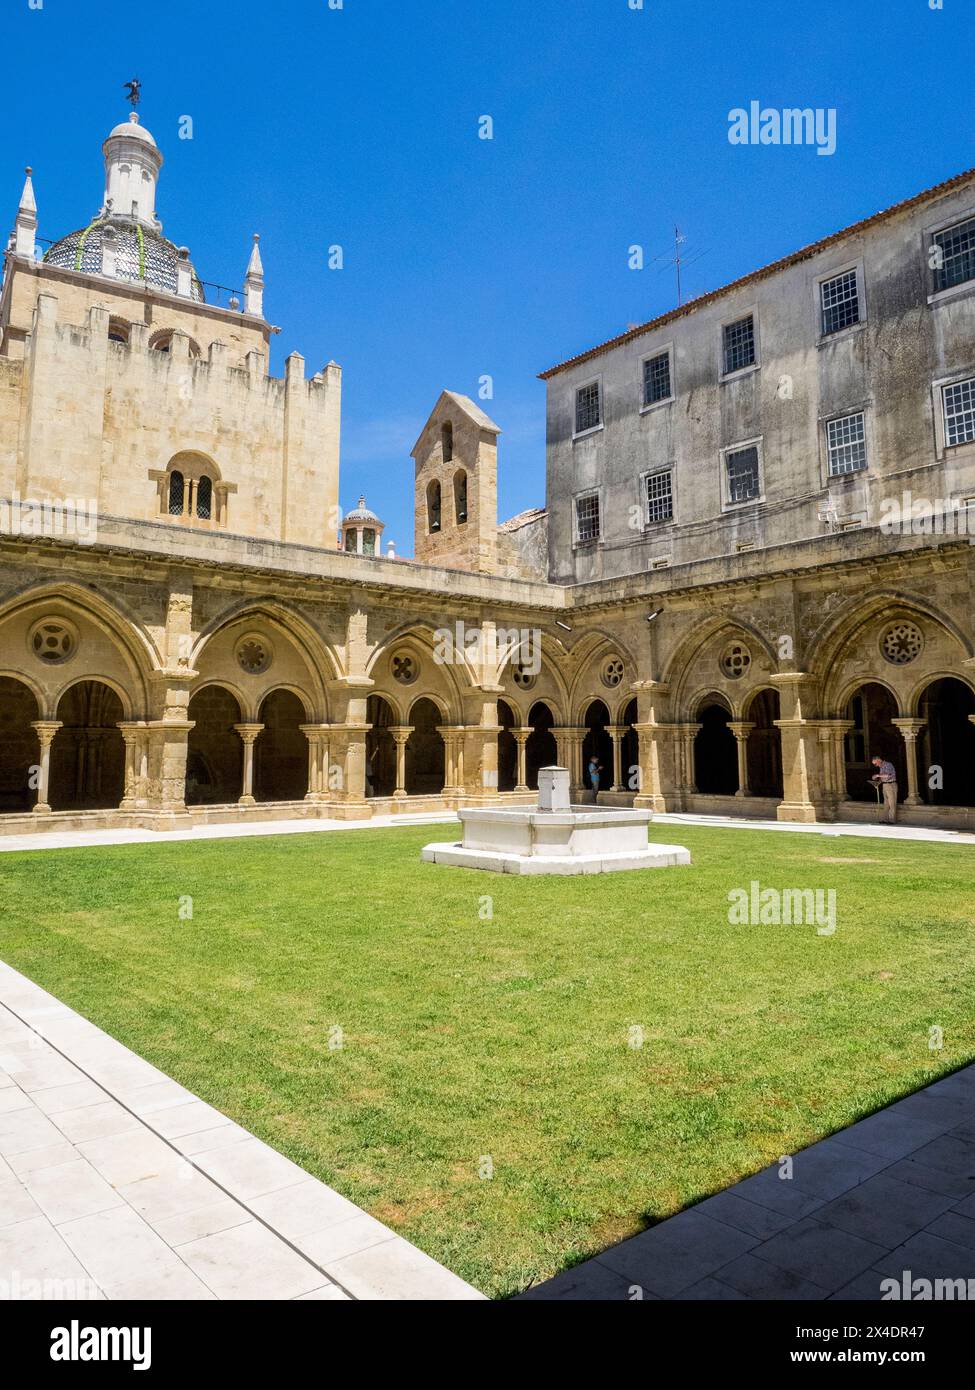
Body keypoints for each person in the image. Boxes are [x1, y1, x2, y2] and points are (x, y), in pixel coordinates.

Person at [870, 755, 898, 825]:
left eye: (875, 763)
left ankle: (892, 820)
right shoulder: (881, 767)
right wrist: (876, 783)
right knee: (886, 803)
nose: (876, 765)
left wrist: (877, 775)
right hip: (885, 785)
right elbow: (883, 778)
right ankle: (885, 819)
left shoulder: (888, 764)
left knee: (892, 803)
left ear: (878, 760)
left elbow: (888, 775)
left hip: (891, 785)